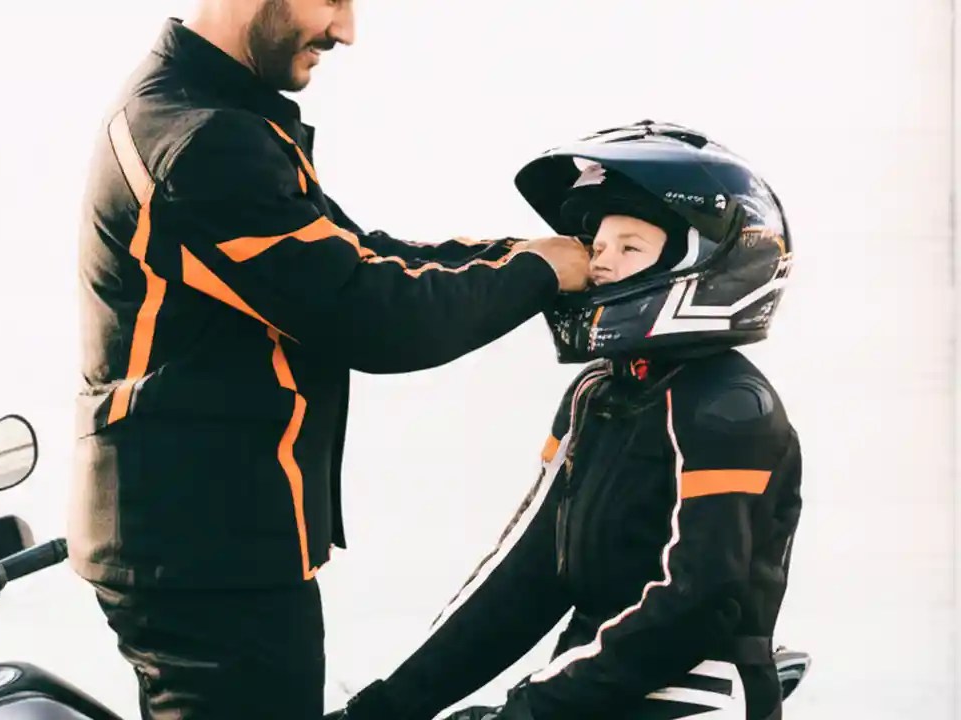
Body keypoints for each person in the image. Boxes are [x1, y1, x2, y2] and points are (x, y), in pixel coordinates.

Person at [67, 2, 592, 718]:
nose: (346, 30)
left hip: (198, 544)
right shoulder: (200, 140)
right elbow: (370, 316)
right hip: (207, 559)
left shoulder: (199, 111)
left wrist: (528, 255)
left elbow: (359, 258)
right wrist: (539, 275)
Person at [328, 120, 803, 720]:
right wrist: (388, 707)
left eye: (630, 247)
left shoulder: (729, 405)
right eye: (597, 246)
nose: (601, 264)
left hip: (698, 696)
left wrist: (527, 711)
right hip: (585, 689)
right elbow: (524, 579)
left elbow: (697, 602)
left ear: (704, 263)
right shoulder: (595, 391)